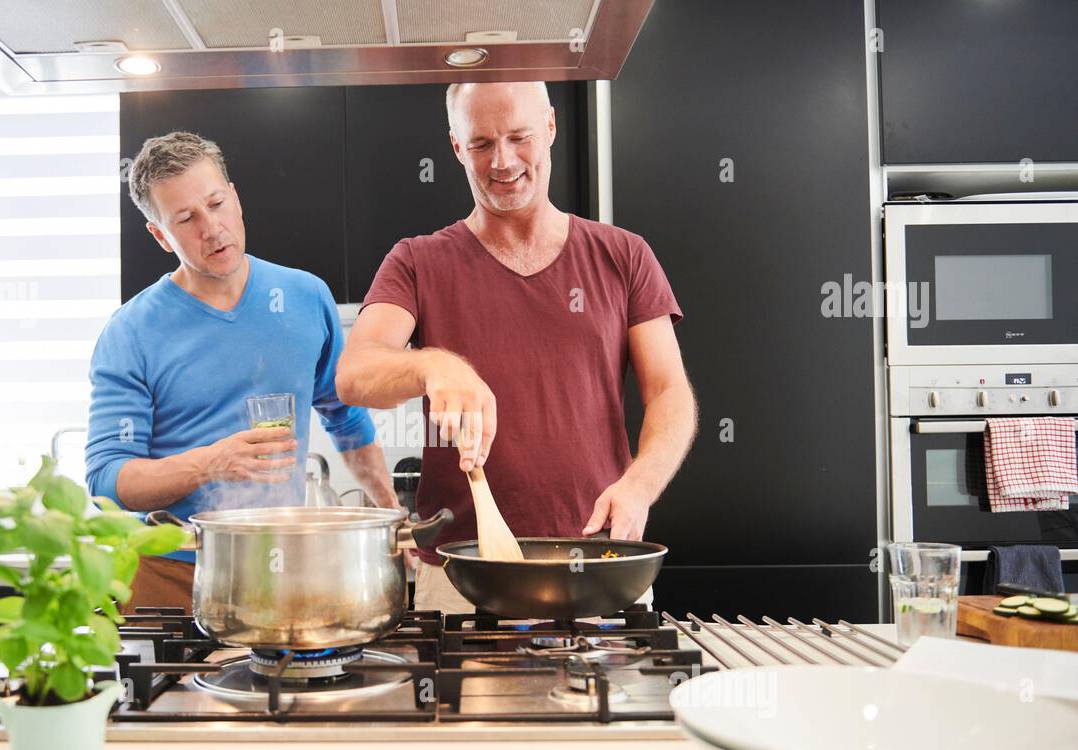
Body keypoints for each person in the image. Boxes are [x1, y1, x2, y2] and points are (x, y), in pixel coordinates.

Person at [336, 82, 697, 614]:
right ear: (457, 148)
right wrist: (433, 364)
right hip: (462, 578)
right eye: (481, 144)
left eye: (519, 137)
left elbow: (669, 392)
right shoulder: (417, 261)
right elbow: (355, 373)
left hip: (599, 565)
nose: (502, 161)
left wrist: (640, 486)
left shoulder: (623, 255)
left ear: (550, 127)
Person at [87, 131, 398, 613]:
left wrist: (389, 513)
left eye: (216, 203)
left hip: (281, 569)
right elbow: (107, 481)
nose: (211, 228)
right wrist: (208, 463)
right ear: (160, 236)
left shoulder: (304, 296)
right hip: (169, 574)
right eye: (186, 218)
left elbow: (345, 415)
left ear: (235, 197)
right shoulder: (130, 331)